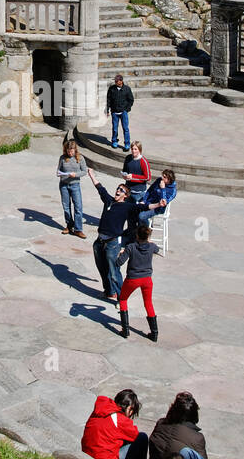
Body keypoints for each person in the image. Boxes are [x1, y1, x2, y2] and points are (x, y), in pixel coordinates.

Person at [85, 166, 164, 302]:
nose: (117, 191)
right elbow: (100, 188)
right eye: (117, 189)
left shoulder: (127, 207)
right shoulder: (109, 201)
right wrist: (91, 175)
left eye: (121, 190)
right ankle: (109, 291)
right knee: (102, 269)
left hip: (112, 243)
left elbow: (143, 207)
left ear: (125, 196)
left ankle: (122, 299)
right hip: (99, 242)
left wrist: (158, 204)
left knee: (114, 272)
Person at [80, 389, 147, 459]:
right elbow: (135, 435)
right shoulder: (120, 420)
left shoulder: (99, 411)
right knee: (142, 437)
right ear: (129, 408)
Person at [116, 224, 161, 341]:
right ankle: (154, 333)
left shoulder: (131, 247)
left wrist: (121, 253)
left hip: (133, 279)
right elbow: (157, 250)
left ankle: (125, 330)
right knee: (148, 303)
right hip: (147, 279)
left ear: (136, 235)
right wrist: (149, 242)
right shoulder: (152, 246)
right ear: (148, 236)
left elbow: (119, 263)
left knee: (123, 299)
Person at [56, 139, 87, 238]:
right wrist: (60, 174)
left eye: (72, 151)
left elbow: (84, 171)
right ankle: (69, 225)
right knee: (66, 206)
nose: (70, 153)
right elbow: (58, 170)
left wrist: (76, 174)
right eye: (68, 151)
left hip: (75, 185)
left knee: (78, 207)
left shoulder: (80, 158)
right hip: (64, 185)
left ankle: (78, 229)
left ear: (75, 150)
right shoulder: (62, 158)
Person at [106, 74, 134, 150]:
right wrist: (107, 110)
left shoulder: (127, 89)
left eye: (117, 80)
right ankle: (114, 141)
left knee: (125, 128)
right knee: (115, 128)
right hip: (114, 112)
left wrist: (126, 109)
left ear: (121, 81)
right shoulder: (111, 89)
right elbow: (108, 100)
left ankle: (127, 144)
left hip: (123, 112)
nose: (115, 82)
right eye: (115, 80)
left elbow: (131, 100)